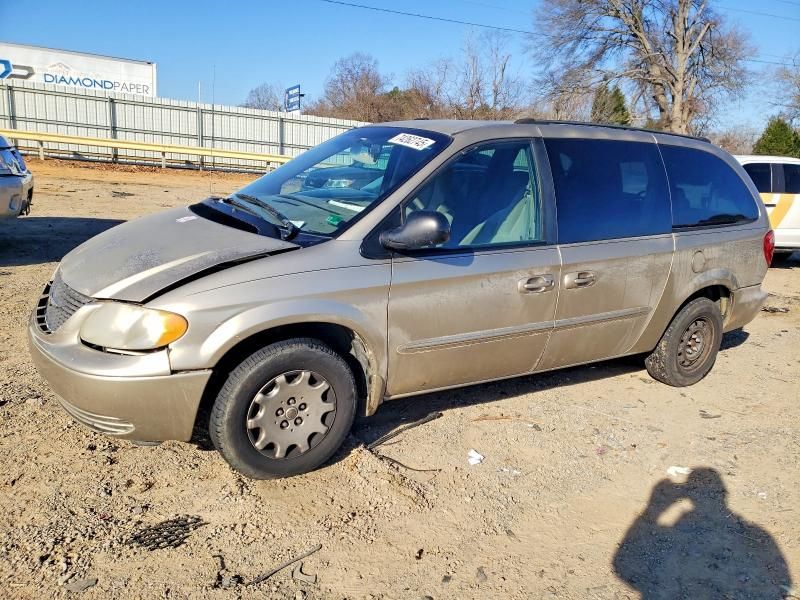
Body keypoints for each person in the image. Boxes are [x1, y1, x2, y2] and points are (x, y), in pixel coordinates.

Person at [613, 468, 792, 599]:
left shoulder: (754, 534)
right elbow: (782, 585)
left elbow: (621, 566)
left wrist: (653, 508)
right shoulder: (757, 534)